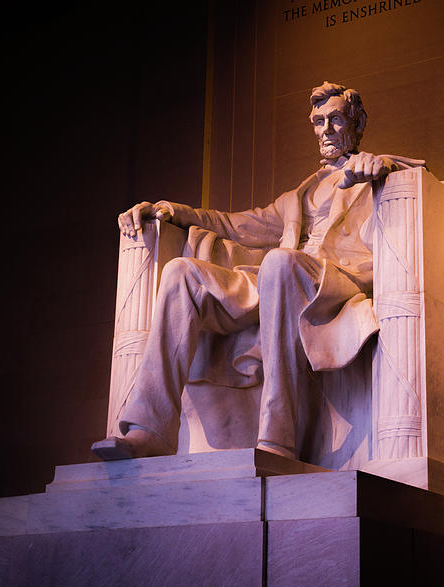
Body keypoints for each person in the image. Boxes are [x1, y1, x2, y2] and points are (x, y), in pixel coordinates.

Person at [93, 82, 424, 461]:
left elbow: (420, 181)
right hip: (279, 281)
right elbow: (233, 224)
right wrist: (172, 211)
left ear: (356, 124)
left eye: (335, 119)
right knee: (183, 273)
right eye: (319, 122)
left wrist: (385, 168)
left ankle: (278, 437)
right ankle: (149, 430)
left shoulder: (379, 172)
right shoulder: (299, 197)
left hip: (335, 283)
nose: (326, 130)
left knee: (280, 263)